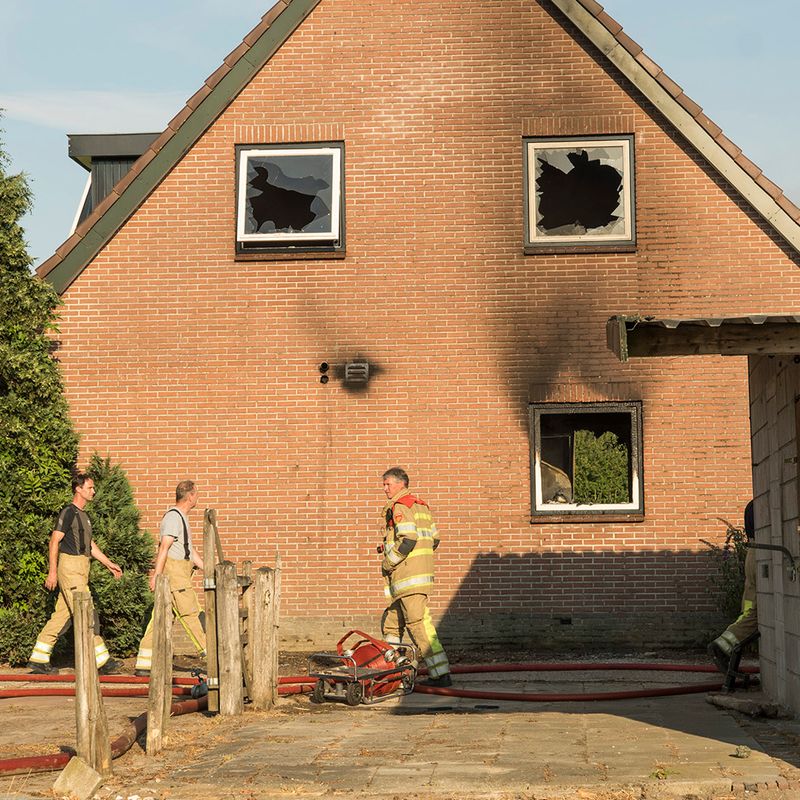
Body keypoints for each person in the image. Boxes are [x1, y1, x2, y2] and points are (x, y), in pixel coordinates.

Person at [28, 472, 123, 674]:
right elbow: (54, 541)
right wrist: (52, 572)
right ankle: (102, 661)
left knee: (61, 616)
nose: (93, 491)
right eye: (90, 488)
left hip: (81, 569)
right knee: (86, 613)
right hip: (70, 569)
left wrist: (109, 563)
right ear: (78, 489)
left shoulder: (84, 516)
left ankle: (38, 658)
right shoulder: (68, 512)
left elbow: (90, 545)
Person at [379, 467, 452, 687]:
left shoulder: (401, 505)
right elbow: (435, 539)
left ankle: (440, 674)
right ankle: (393, 673)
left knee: (418, 624)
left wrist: (388, 561)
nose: (385, 489)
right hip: (409, 580)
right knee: (391, 625)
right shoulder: (421, 506)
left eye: (387, 484)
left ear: (401, 484)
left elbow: (408, 539)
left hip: (407, 578)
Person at [134, 480, 206, 676]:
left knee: (161, 616)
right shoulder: (174, 517)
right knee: (191, 614)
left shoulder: (181, 517)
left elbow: (189, 551)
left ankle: (144, 662)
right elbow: (164, 547)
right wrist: (156, 575)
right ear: (190, 496)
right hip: (175, 576)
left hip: (179, 573)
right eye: (196, 493)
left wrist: (209, 569)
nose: (197, 497)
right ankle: (211, 654)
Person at [707, 500, 758, 674]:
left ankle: (726, 647)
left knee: (749, 606)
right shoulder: (762, 505)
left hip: (752, 552)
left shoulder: (752, 505)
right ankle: (723, 646)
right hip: (761, 551)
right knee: (756, 613)